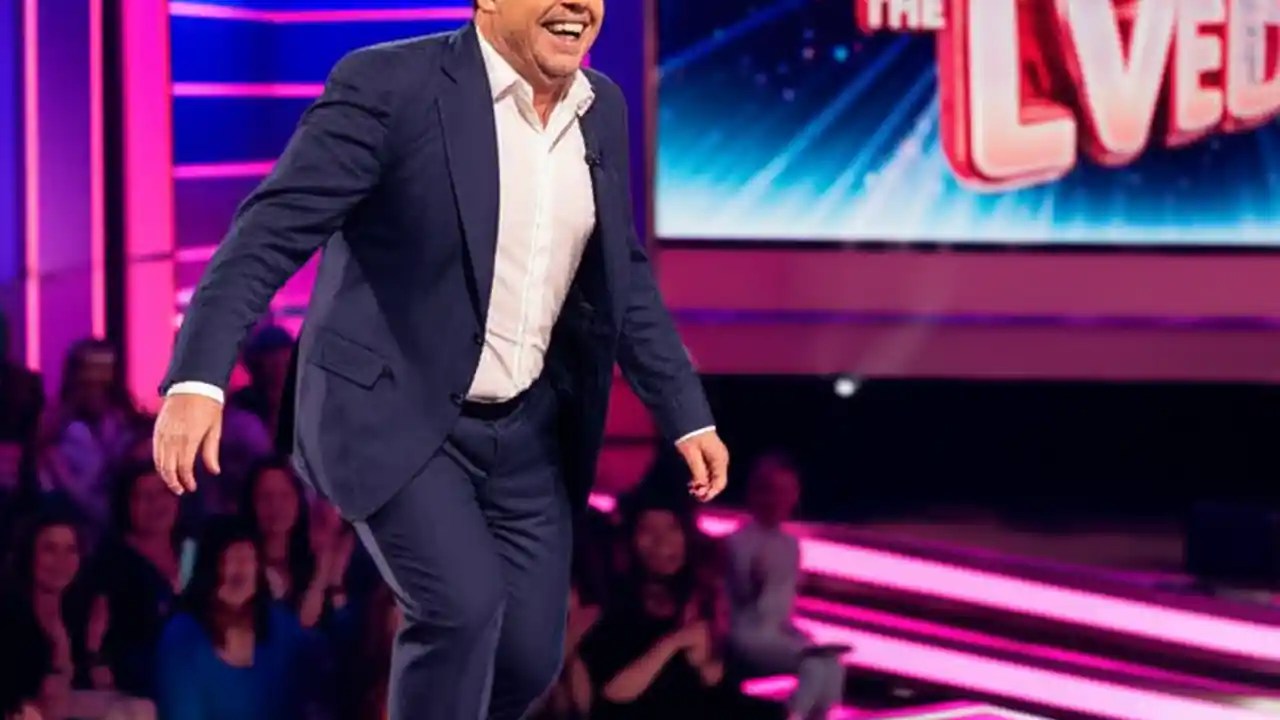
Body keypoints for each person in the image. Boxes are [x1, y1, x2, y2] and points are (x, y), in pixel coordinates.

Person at [150, 1, 729, 718]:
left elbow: (623, 272)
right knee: (461, 608)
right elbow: (267, 233)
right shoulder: (389, 87)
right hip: (393, 408)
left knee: (526, 655)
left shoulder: (600, 107)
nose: (579, 4)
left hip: (526, 431)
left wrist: (685, 413)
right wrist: (198, 378)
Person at [724, 455, 846, 720]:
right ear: (755, 494)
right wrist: (755, 581)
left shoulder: (791, 545)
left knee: (833, 664)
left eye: (787, 492)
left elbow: (782, 607)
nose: (778, 500)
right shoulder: (736, 542)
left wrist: (797, 633)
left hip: (779, 634)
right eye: (771, 491)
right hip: (746, 636)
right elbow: (739, 599)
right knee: (813, 665)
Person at [155, 518, 305, 720]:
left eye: (247, 562)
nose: (238, 573)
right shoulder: (183, 637)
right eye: (229, 562)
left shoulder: (281, 628)